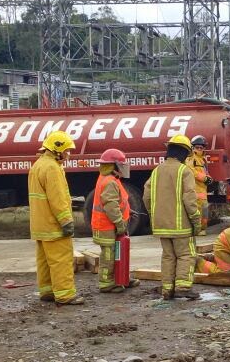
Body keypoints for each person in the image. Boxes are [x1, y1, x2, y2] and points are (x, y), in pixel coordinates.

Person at [144, 135, 202, 300]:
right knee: (186, 255)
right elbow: (190, 199)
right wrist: (196, 221)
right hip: (181, 225)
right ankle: (183, 288)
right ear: (184, 153)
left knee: (168, 256)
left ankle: (167, 289)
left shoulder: (156, 171)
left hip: (161, 225)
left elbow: (146, 197)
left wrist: (154, 215)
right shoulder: (184, 171)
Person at [29, 130, 81, 305]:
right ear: (57, 149)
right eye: (66, 150)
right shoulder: (52, 168)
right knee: (61, 260)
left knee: (44, 261)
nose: (68, 154)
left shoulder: (38, 165)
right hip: (53, 225)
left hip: (40, 224)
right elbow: (57, 198)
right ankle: (65, 294)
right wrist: (66, 221)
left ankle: (47, 291)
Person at [90, 148, 140, 293]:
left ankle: (121, 278)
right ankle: (106, 283)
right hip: (106, 227)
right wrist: (119, 223)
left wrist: (127, 211)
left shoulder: (111, 179)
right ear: (114, 166)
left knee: (119, 253)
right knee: (109, 256)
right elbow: (110, 206)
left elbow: (118, 202)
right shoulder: (110, 181)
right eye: (121, 165)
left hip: (110, 225)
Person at [186, 135, 211, 235]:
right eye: (197, 147)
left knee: (204, 211)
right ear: (193, 147)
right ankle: (198, 229)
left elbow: (205, 172)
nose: (199, 149)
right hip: (195, 189)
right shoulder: (192, 158)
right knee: (197, 211)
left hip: (202, 190)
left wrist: (209, 178)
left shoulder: (202, 159)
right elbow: (190, 170)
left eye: (201, 147)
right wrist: (204, 178)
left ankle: (202, 229)